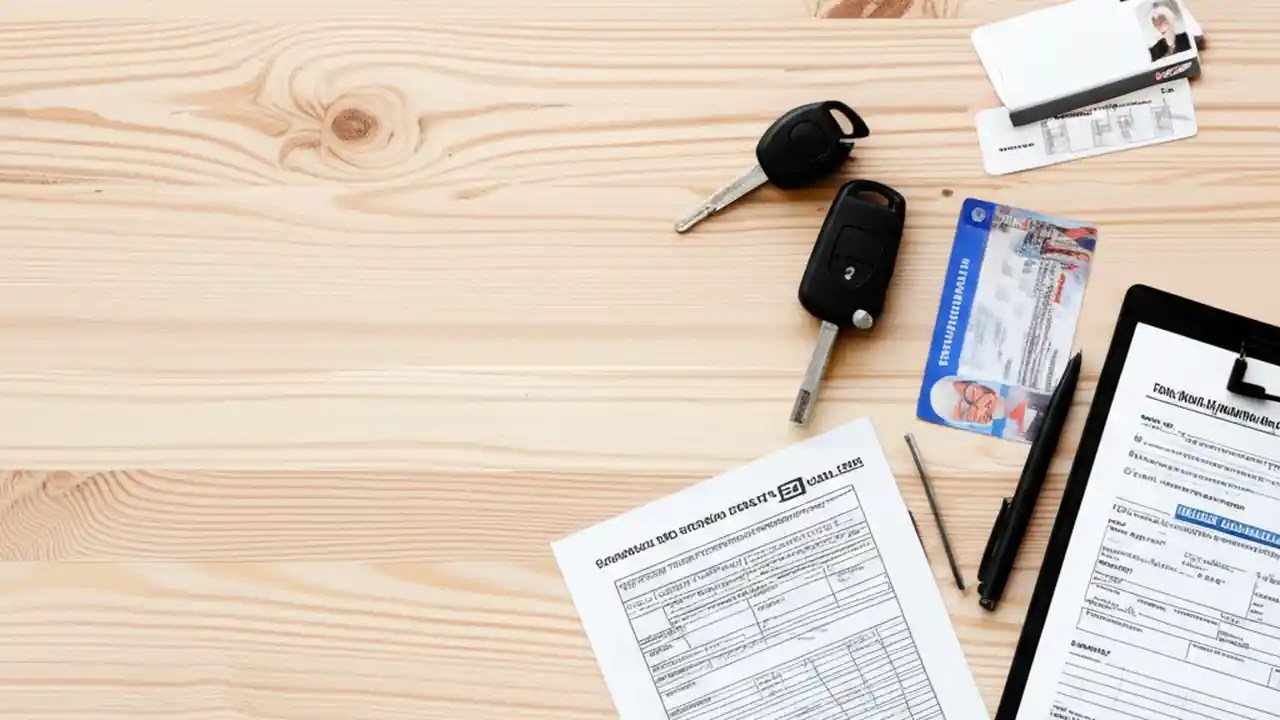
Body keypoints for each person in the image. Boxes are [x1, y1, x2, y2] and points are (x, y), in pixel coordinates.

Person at [929, 377, 1052, 441]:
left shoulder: (1032, 392)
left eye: (972, 394)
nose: (981, 409)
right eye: (966, 413)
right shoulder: (1022, 435)